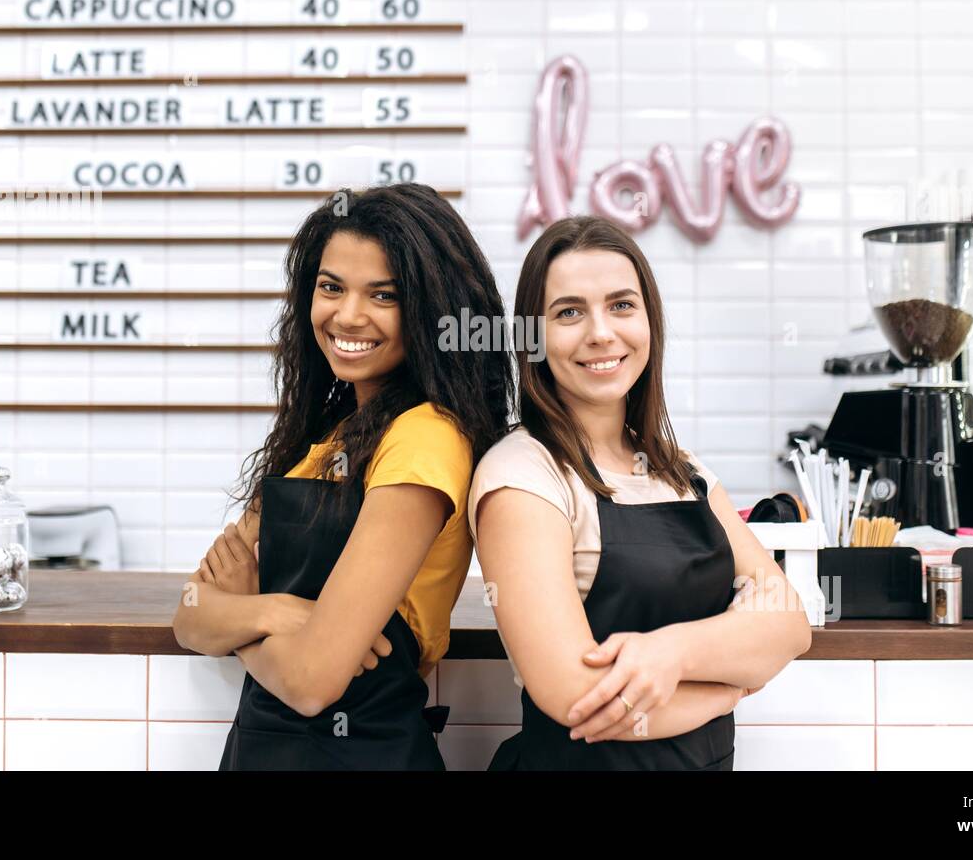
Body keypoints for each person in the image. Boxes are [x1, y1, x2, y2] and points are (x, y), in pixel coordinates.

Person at [172, 183, 513, 770]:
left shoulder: (426, 437)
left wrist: (247, 612)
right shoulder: (323, 438)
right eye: (331, 287)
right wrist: (278, 613)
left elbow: (310, 682)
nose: (348, 315)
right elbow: (189, 614)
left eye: (384, 295)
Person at [470, 215, 812, 770]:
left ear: (650, 322)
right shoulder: (522, 476)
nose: (601, 332)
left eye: (622, 305)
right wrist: (728, 689)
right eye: (569, 312)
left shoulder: (682, 470)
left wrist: (669, 654)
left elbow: (789, 622)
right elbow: (580, 699)